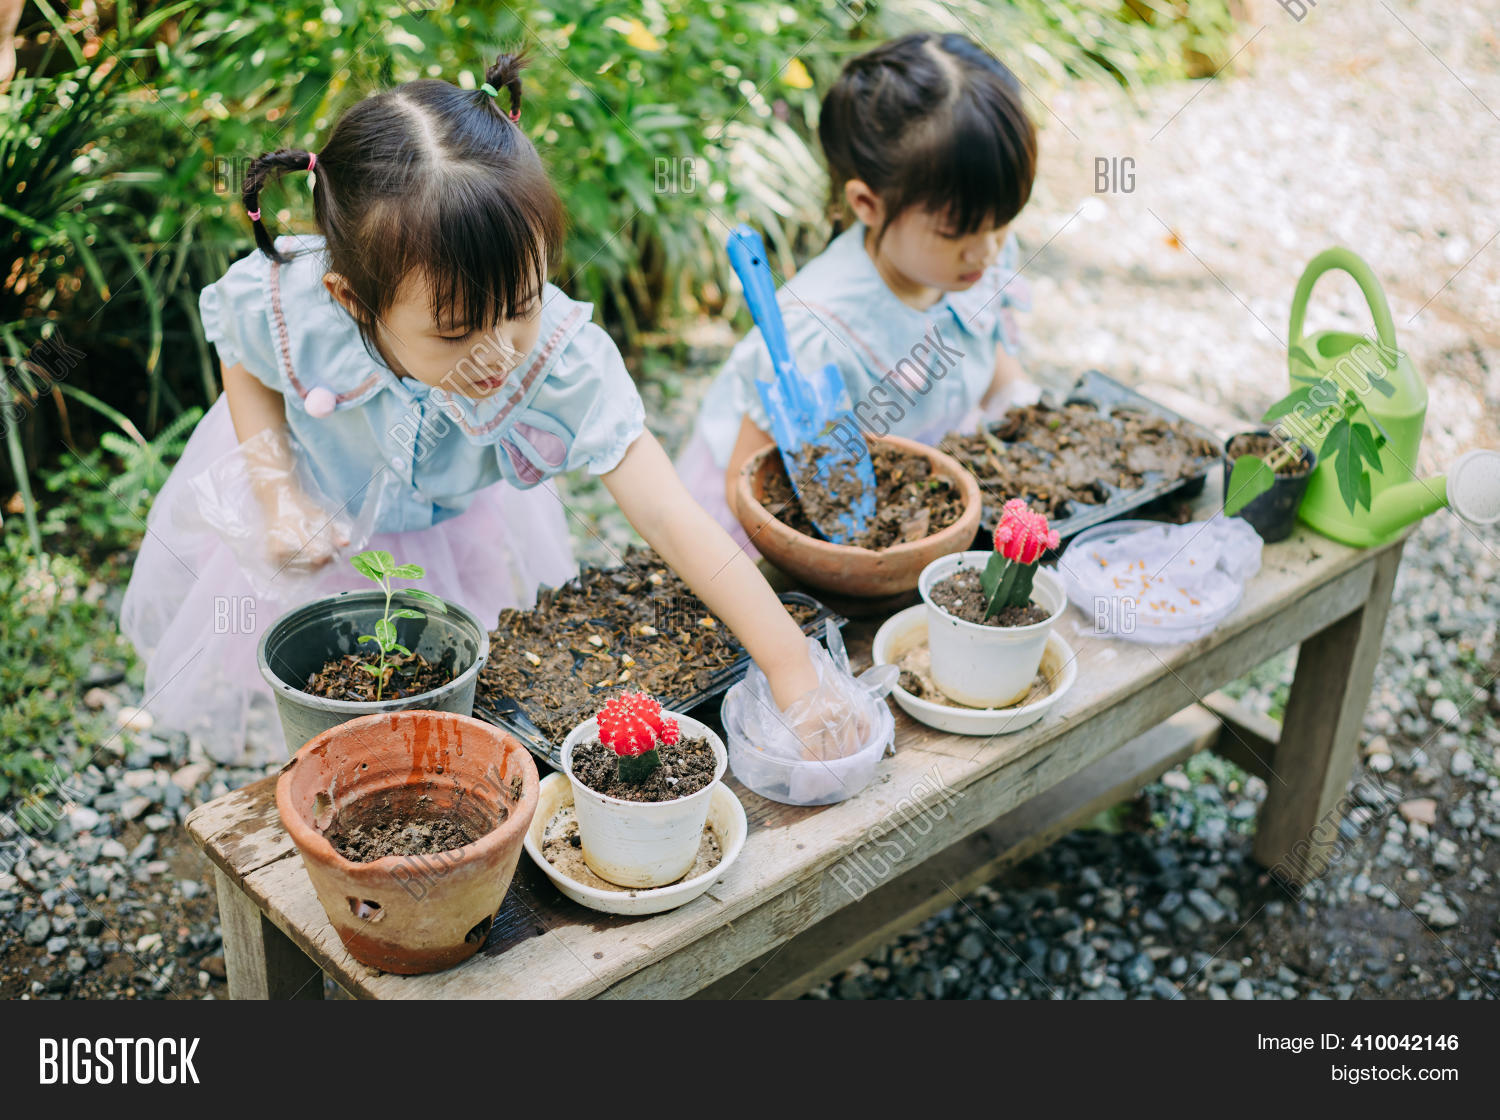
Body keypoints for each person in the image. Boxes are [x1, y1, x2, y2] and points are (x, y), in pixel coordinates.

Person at [122, 54, 860, 763]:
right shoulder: (294, 303)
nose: (499, 352)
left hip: (448, 531)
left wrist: (793, 669)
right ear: (352, 301)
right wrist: (278, 494)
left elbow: (670, 514)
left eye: (523, 305)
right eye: (455, 331)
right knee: (324, 684)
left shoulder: (560, 365)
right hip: (318, 506)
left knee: (437, 687)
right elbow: (244, 358)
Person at [678, 32, 1039, 549]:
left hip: (910, 499)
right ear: (867, 204)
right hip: (779, 534)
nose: (986, 251)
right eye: (957, 231)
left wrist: (1018, 399)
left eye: (1001, 223)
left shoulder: (966, 263)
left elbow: (982, 341)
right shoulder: (816, 329)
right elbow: (749, 489)